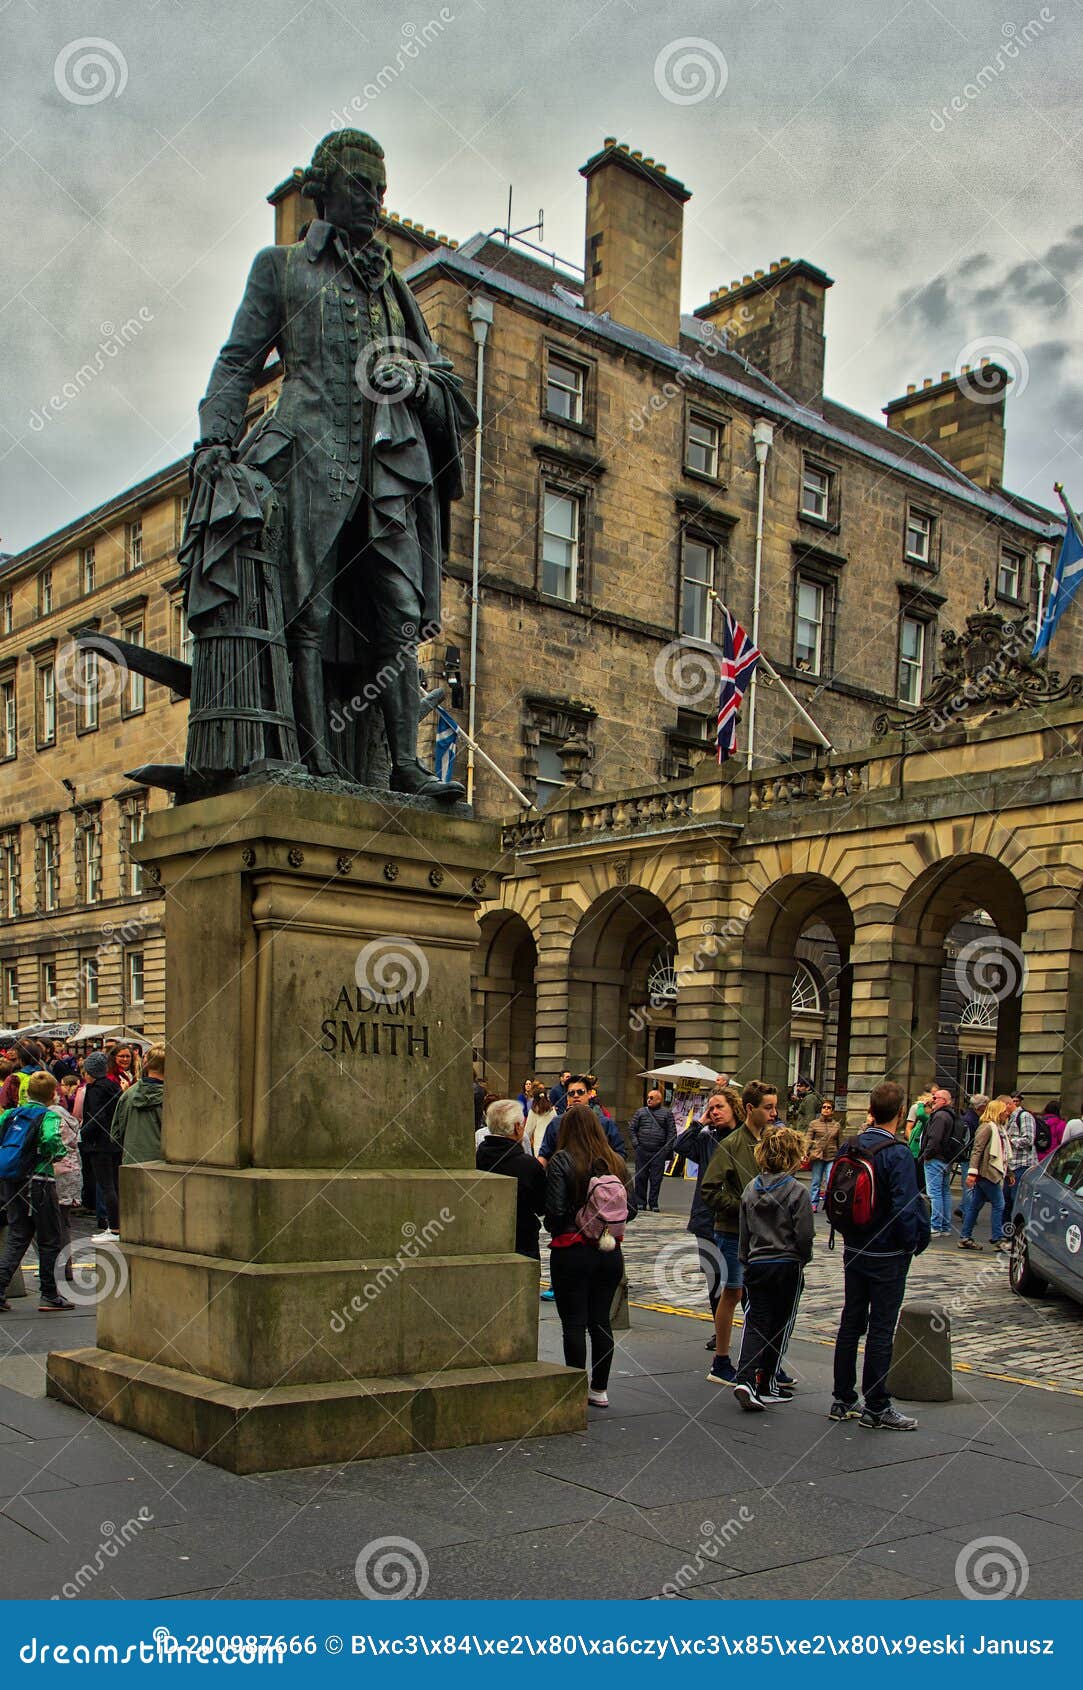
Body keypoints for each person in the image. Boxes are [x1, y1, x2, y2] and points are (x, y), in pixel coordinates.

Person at [828, 1079, 930, 1430]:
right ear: (901, 1114)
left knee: (850, 1323)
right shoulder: (898, 1153)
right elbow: (906, 1207)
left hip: (854, 1246)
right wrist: (911, 1243)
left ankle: (842, 1399)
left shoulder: (851, 1145)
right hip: (887, 1253)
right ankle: (876, 1405)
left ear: (871, 1109)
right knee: (881, 1329)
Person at [543, 1104, 635, 1408]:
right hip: (609, 1252)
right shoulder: (617, 1161)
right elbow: (631, 1210)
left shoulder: (562, 1160)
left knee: (573, 1323)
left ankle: (574, 1390)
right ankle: (600, 1389)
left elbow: (554, 1212)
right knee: (600, 1322)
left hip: (571, 1251)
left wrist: (573, 1220)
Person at [701, 1079, 779, 1384]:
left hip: (763, 1233)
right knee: (732, 1292)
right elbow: (709, 1189)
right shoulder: (732, 1144)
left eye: (775, 1106)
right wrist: (744, 1205)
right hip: (733, 1231)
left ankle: (764, 1359)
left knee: (758, 1296)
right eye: (768, 1107)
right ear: (750, 1109)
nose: (774, 1113)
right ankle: (720, 1361)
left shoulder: (770, 1142)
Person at [733, 1125, 814, 1411]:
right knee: (781, 1325)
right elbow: (804, 1234)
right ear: (795, 1156)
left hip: (756, 1264)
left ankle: (745, 1378)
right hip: (787, 1265)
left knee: (756, 1323)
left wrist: (745, 1259)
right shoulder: (798, 1191)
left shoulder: (750, 1189)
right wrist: (804, 1257)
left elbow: (744, 1232)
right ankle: (767, 1382)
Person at [671, 1089, 742, 1345]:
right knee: (714, 1278)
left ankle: (752, 1335)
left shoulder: (743, 1138)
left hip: (735, 1220)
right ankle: (720, 1331)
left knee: (739, 1281)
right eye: (711, 1108)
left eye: (719, 1107)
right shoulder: (707, 1139)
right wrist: (700, 1121)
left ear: (734, 1107)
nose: (714, 1112)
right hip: (706, 1218)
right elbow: (679, 1145)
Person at [0, 1071, 73, 1313]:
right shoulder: (48, 1116)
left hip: (12, 1180)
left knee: (18, 1235)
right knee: (49, 1238)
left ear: (27, 1092)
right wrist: (57, 1153)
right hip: (40, 1181)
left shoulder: (10, 1114)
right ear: (53, 1094)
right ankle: (50, 1295)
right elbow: (52, 1142)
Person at [475, 1098, 547, 1260]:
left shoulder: (476, 1159)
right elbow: (542, 1206)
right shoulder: (528, 1166)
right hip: (521, 1240)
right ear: (516, 1127)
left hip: (481, 1237)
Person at [959, 1096, 1013, 1252]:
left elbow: (1002, 1154)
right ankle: (997, 1239)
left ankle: (965, 1237)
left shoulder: (999, 1128)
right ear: (997, 1112)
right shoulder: (987, 1127)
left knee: (975, 1206)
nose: (1006, 1114)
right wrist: (972, 1173)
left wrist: (1008, 1172)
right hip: (987, 1173)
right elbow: (977, 1151)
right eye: (1004, 1112)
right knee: (999, 1204)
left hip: (990, 1172)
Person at [79, 1051, 122, 1242]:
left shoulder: (94, 1089)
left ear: (90, 1072)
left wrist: (81, 1134)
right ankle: (118, 1225)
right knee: (115, 1185)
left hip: (99, 1144)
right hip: (115, 1143)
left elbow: (95, 1117)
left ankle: (114, 1228)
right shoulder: (114, 1086)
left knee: (107, 1186)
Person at [536, 1077, 627, 1164]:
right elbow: (544, 1154)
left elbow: (619, 1153)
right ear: (567, 1096)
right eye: (571, 1093)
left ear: (589, 1093)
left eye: (580, 1092)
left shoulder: (605, 1123)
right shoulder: (556, 1123)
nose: (576, 1096)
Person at [921, 1086, 965, 1236]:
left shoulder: (940, 1116)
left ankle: (936, 1225)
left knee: (935, 1193)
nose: (932, 1100)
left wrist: (926, 1155)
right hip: (946, 1159)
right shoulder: (951, 1115)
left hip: (936, 1159)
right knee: (945, 1192)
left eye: (936, 1098)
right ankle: (945, 1226)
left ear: (944, 1101)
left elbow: (935, 1139)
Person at [627, 1087, 676, 1212]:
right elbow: (632, 1128)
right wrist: (636, 1145)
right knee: (640, 1177)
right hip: (642, 1149)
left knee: (656, 1179)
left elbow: (672, 1132)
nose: (648, 1100)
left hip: (658, 1151)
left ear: (659, 1100)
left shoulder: (667, 1113)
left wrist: (665, 1150)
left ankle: (653, 1203)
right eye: (648, 1097)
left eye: (652, 1098)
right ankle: (640, 1202)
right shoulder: (640, 1112)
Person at [115, 1045, 165, 1164]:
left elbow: (116, 1134)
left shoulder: (128, 1094)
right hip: (163, 1166)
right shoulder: (175, 1097)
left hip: (132, 1163)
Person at [1004, 1092, 1038, 1234]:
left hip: (1022, 1164)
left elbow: (1029, 1139)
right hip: (1010, 1166)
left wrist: (1008, 1141)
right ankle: (1005, 1234)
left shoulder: (1024, 1116)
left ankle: (1015, 1233)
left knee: (1015, 1200)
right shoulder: (1008, 1118)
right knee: (1006, 1201)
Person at [805, 1098, 841, 1211]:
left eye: (828, 1108)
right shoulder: (814, 1124)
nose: (826, 1109)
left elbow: (840, 1142)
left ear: (832, 1111)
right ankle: (813, 1203)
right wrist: (805, 1152)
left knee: (830, 1180)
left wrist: (842, 1156)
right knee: (816, 1180)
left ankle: (829, 1203)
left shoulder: (836, 1125)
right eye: (824, 1107)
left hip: (832, 1156)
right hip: (818, 1156)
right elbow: (808, 1139)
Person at [525, 1081, 556, 1157]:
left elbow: (527, 1132)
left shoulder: (533, 1111)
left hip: (539, 1144)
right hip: (552, 1143)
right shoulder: (552, 1110)